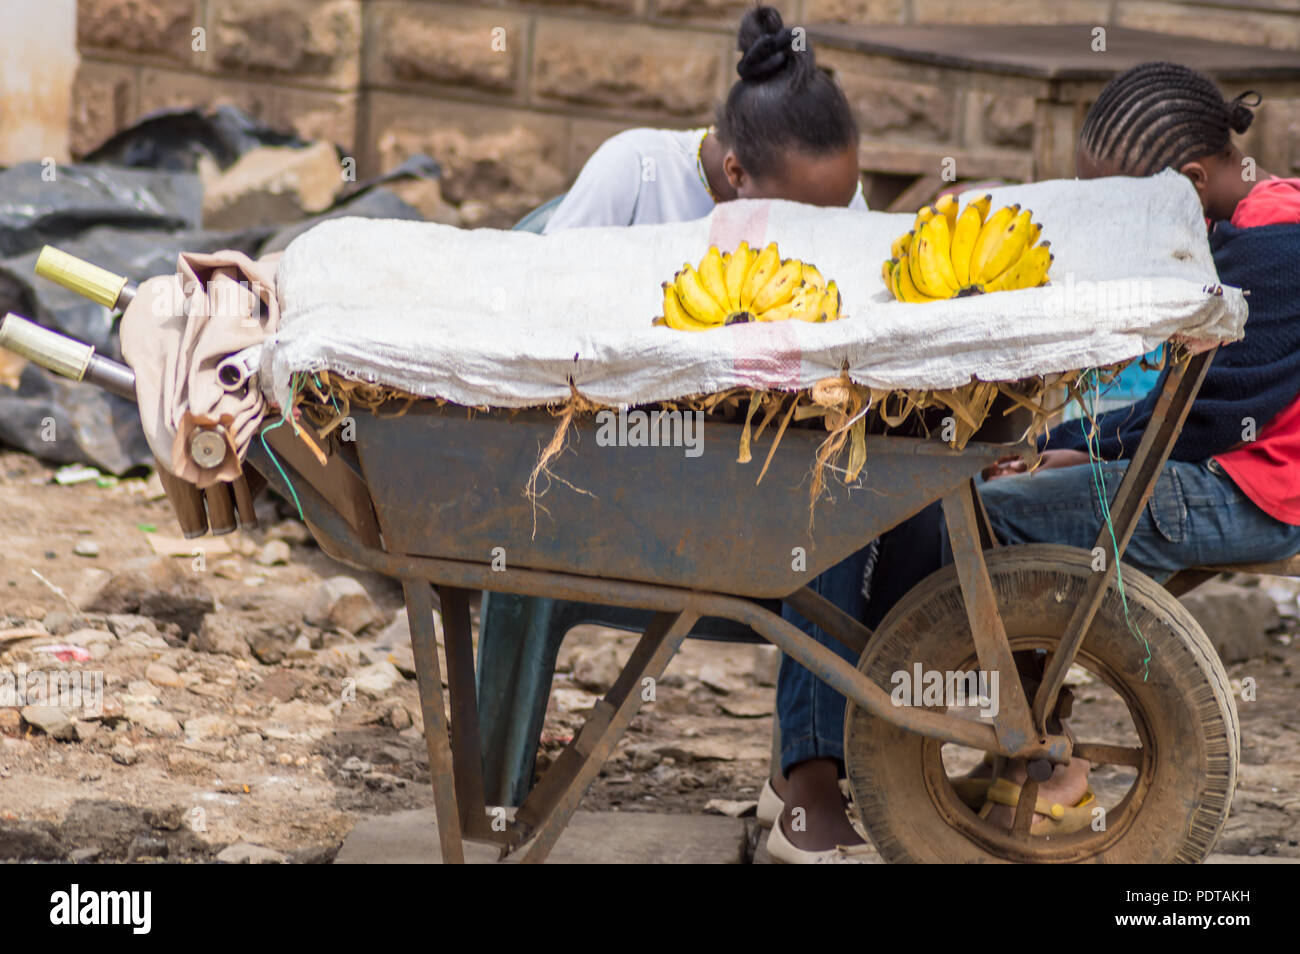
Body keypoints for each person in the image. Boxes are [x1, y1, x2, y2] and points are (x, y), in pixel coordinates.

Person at [768, 61, 1300, 862]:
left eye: (1119, 207)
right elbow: (1187, 406)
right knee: (985, 506)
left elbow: (1207, 415)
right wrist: (1059, 444)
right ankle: (1026, 759)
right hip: (1234, 475)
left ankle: (996, 748)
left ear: (1188, 180)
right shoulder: (1257, 219)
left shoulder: (1272, 247)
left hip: (1243, 492)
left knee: (960, 517)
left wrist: (1069, 449)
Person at [543, 5, 865, 233]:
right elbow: (544, 282)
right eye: (801, 219)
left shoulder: (831, 195)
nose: (823, 232)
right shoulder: (636, 174)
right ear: (736, 172)